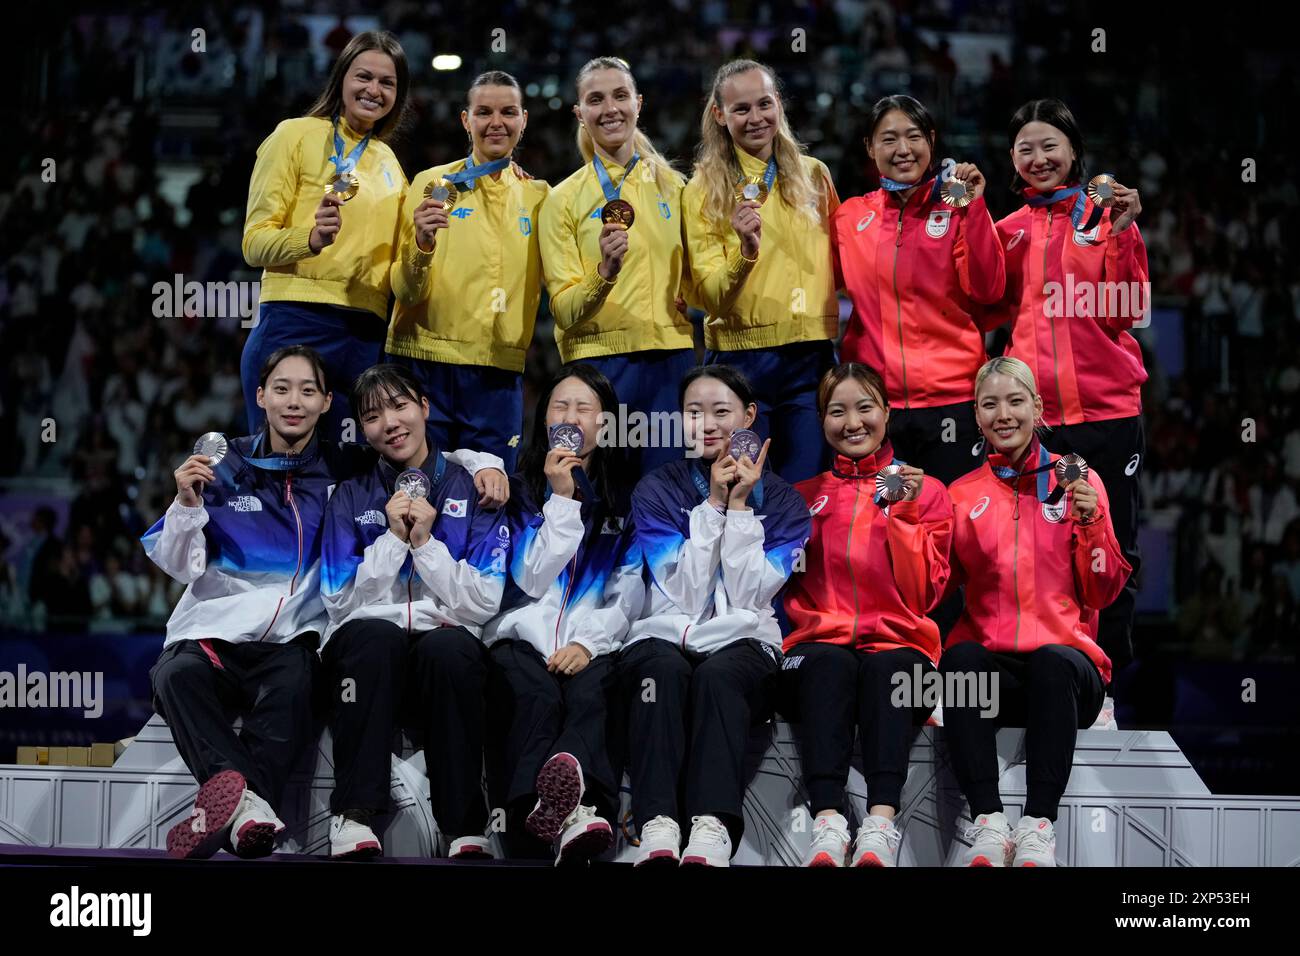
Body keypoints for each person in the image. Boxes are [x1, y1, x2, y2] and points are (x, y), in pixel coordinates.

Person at [144, 346, 367, 859]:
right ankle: (249, 807)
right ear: (261, 395)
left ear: (327, 402)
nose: (295, 401)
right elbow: (181, 565)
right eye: (282, 389)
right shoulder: (221, 464)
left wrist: (479, 462)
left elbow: (408, 450)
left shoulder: (345, 470)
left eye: (308, 391)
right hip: (214, 632)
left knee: (296, 688)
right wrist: (183, 504)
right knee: (175, 676)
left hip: (291, 640)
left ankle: (230, 809)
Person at [941, 356, 1131, 867]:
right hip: (995, 676)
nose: (1004, 414)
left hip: (1068, 671)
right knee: (958, 662)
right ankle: (987, 821)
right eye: (990, 404)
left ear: (1038, 408)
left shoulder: (1076, 479)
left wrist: (1092, 524)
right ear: (976, 418)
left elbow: (1103, 591)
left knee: (1051, 660)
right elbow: (930, 591)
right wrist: (905, 520)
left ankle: (1038, 825)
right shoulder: (961, 496)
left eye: (1015, 401)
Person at [319, 364, 513, 860]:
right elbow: (339, 600)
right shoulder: (350, 495)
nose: (390, 423)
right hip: (369, 645)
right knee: (373, 639)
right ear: (362, 430)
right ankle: (354, 816)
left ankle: (465, 825)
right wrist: (391, 540)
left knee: (452, 650)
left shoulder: (476, 488)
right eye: (372, 416)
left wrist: (425, 545)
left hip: (442, 641)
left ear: (424, 407)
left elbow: (485, 600)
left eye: (400, 406)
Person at [618, 365, 809, 866]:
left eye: (721, 412)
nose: (706, 424)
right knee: (659, 674)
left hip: (747, 641)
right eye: (693, 413)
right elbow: (683, 590)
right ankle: (656, 821)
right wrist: (711, 506)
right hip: (664, 632)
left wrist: (740, 506)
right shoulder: (655, 491)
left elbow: (749, 595)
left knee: (719, 678)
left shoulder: (787, 502)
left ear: (748, 416)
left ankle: (712, 825)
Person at [988, 98, 1149, 672]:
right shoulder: (1005, 232)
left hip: (1107, 414)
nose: (1039, 158)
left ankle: (1105, 683)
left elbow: (1127, 309)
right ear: (1012, 158)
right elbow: (986, 310)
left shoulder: (1106, 219)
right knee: (1044, 549)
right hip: (1039, 421)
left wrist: (1125, 236)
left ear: (1073, 151)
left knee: (1111, 545)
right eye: (1026, 148)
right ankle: (1048, 669)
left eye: (1050, 145)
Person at [781, 362, 953, 866]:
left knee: (886, 669)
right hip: (818, 649)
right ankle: (828, 820)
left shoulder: (928, 492)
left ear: (887, 412)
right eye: (837, 411)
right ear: (820, 420)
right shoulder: (801, 498)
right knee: (831, 665)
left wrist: (901, 511)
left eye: (865, 408)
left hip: (903, 649)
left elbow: (923, 595)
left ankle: (880, 823)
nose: (852, 422)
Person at [484, 364, 644, 864]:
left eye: (584, 408)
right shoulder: (517, 489)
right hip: (518, 638)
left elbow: (628, 590)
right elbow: (529, 579)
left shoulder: (628, 497)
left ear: (605, 422)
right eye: (559, 406)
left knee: (593, 693)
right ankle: (537, 823)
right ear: (543, 418)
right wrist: (560, 499)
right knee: (535, 697)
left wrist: (588, 644)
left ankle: (581, 810)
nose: (570, 417)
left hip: (592, 642)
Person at [240, 31, 410, 442]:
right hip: (295, 320)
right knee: (282, 470)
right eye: (363, 77)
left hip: (365, 336)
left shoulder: (390, 163)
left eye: (387, 83)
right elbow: (254, 243)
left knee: (346, 478)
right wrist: (309, 239)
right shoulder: (293, 135)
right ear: (341, 79)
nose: (374, 90)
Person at [832, 94, 1006, 486]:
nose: (903, 150)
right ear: (870, 146)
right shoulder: (850, 216)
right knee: (883, 532)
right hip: (874, 405)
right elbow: (817, 284)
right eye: (888, 139)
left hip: (953, 402)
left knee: (955, 526)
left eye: (913, 137)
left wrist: (976, 208)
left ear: (931, 140)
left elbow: (988, 288)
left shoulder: (957, 207)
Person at [683, 58, 840, 483]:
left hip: (810, 359)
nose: (756, 118)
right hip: (739, 363)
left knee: (811, 488)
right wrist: (744, 253)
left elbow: (843, 267)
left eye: (764, 104)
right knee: (744, 494)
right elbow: (711, 296)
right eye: (741, 109)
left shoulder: (814, 177)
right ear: (719, 115)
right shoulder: (702, 191)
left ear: (779, 105)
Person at [385, 70, 549, 471]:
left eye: (508, 112)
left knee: (491, 497)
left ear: (524, 120)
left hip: (497, 373)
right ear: (466, 120)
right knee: (417, 491)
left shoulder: (541, 196)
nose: (497, 122)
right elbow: (404, 291)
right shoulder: (430, 184)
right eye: (484, 112)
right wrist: (422, 245)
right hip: (422, 365)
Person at [538, 56, 694, 475]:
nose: (610, 109)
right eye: (596, 99)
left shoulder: (676, 188)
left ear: (638, 104)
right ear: (580, 113)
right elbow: (564, 310)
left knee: (665, 500)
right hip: (598, 370)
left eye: (620, 96)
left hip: (669, 363)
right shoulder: (561, 199)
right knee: (598, 502)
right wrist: (603, 273)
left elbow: (697, 282)